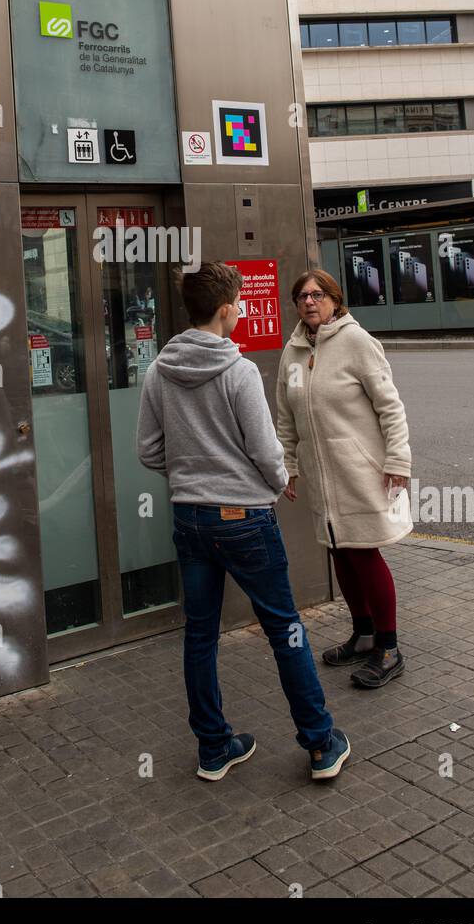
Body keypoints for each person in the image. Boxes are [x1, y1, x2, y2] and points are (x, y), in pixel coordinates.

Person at [137, 261, 349, 782]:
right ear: (227, 309)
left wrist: (191, 472)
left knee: (200, 634)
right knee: (284, 629)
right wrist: (277, 481)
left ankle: (215, 748)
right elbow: (264, 449)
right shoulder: (239, 370)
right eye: (238, 306)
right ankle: (321, 744)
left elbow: (148, 451)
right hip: (244, 517)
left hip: (190, 518)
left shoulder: (158, 370)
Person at [276, 269, 412, 689]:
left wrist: (398, 460)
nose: (309, 302)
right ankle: (364, 633)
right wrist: (288, 466)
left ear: (335, 300)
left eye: (317, 295)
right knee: (340, 553)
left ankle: (388, 647)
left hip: (359, 471)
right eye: (301, 297)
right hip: (322, 476)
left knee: (364, 552)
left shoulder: (357, 343)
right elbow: (287, 416)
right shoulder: (294, 351)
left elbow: (390, 407)